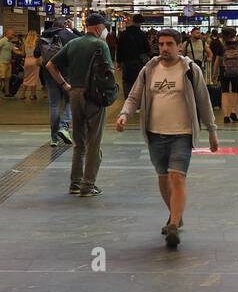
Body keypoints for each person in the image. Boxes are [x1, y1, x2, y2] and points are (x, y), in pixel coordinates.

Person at [116, 28, 219, 248]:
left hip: (182, 133)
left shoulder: (191, 69)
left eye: (169, 44)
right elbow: (134, 96)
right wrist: (124, 114)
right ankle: (176, 214)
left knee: (177, 177)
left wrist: (212, 130)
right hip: (155, 133)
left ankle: (173, 225)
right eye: (161, 44)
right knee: (163, 178)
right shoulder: (149, 69)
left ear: (180, 46)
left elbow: (203, 101)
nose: (164, 48)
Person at [45, 13, 117, 198]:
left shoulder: (73, 43)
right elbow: (108, 72)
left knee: (79, 142)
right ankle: (88, 185)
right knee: (94, 142)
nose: (105, 30)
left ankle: (75, 183)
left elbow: (50, 65)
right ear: (98, 27)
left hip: (75, 94)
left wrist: (64, 85)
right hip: (94, 95)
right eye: (104, 26)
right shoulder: (100, 45)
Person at [34, 16, 75, 146]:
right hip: (66, 73)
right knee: (71, 101)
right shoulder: (68, 35)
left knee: (54, 105)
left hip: (49, 73)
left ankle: (54, 138)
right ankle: (63, 127)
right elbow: (81, 40)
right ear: (65, 25)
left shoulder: (44, 36)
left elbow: (36, 54)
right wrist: (73, 28)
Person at [117, 16, 151, 98]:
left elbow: (119, 48)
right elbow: (147, 49)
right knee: (138, 80)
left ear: (132, 21)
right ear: (140, 23)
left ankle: (128, 99)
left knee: (126, 81)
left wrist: (119, 61)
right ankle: (137, 100)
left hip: (126, 61)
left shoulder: (124, 34)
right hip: (138, 61)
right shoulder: (142, 34)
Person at [0, 30, 14, 100]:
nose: (13, 35)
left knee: (7, 78)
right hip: (1, 62)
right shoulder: (2, 41)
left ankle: (7, 93)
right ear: (7, 34)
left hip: (8, 63)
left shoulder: (10, 42)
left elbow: (14, 51)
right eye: (12, 34)